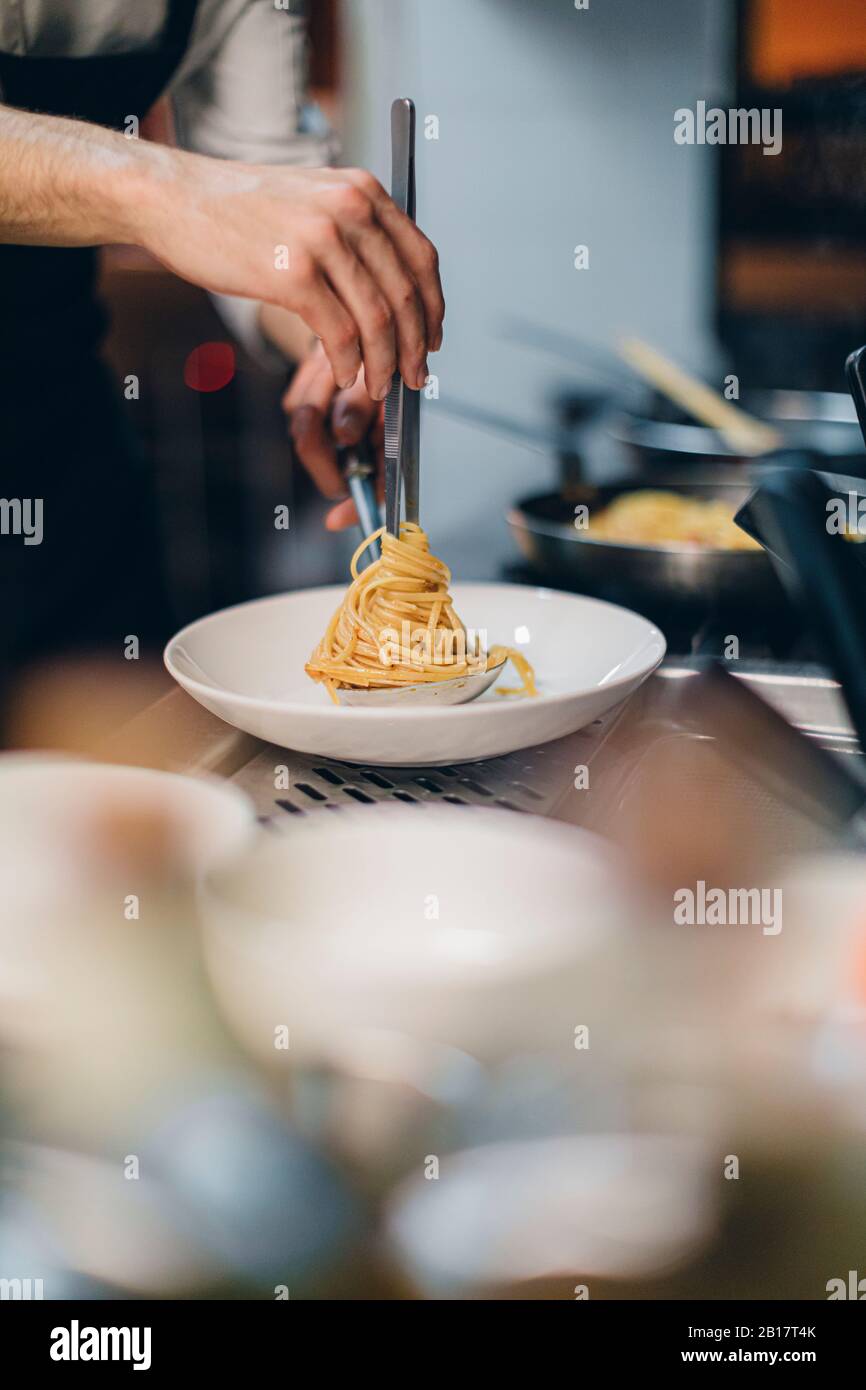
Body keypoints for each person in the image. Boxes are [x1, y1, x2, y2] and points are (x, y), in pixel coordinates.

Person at [0, 0, 444, 680]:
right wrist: (165, 192)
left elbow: (263, 170)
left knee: (126, 771)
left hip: (63, 445)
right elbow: (209, 200)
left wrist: (337, 339)